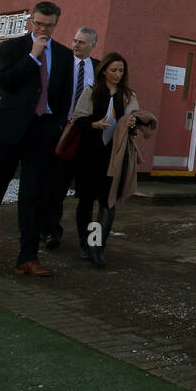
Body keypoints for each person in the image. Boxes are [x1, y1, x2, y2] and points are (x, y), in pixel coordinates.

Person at [0, 1, 73, 276]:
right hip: (9, 130)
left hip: (42, 133)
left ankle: (28, 257)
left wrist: (56, 126)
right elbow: (6, 83)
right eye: (38, 24)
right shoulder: (13, 47)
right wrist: (33, 57)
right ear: (31, 22)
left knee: (33, 196)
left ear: (56, 24)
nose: (43, 29)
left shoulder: (64, 55)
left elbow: (63, 96)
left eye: (48, 25)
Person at [69, 51, 137, 267]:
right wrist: (93, 124)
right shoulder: (92, 92)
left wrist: (132, 124)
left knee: (108, 202)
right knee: (86, 201)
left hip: (113, 157)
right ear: (104, 71)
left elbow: (134, 121)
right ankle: (85, 243)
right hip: (90, 154)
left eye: (121, 71)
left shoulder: (127, 96)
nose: (117, 74)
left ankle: (97, 246)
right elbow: (78, 119)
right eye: (114, 70)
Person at [41, 25, 100, 249]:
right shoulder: (62, 64)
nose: (76, 44)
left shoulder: (99, 68)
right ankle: (50, 231)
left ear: (92, 45)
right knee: (56, 186)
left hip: (87, 137)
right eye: (75, 40)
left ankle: (87, 239)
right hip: (62, 133)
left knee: (86, 192)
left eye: (82, 42)